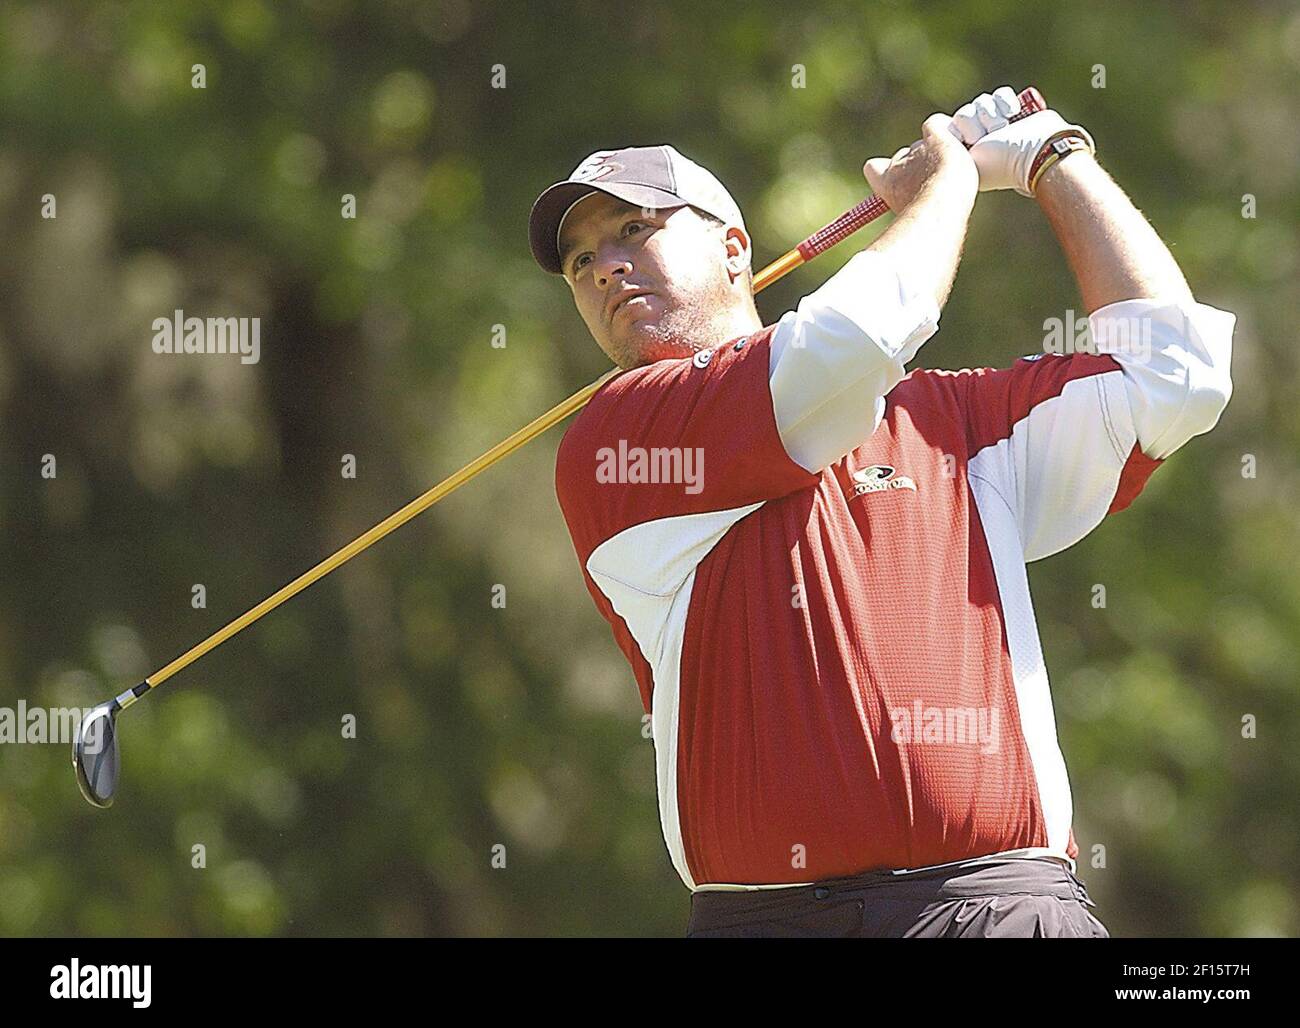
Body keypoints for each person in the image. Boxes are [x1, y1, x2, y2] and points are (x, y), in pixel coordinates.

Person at [527, 87, 1235, 937]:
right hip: (768, 922)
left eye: (635, 230)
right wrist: (949, 181)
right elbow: (848, 345)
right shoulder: (618, 445)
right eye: (580, 262)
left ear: (733, 248)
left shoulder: (947, 424)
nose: (604, 265)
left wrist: (1052, 158)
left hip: (999, 911)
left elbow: (1176, 374)